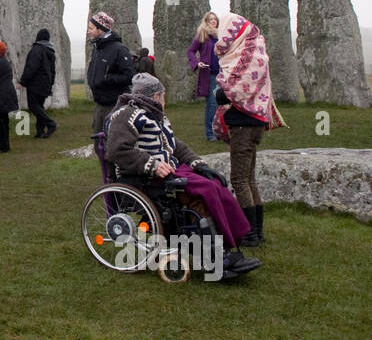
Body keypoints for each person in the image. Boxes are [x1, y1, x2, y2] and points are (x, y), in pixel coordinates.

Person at [104, 73, 260, 276]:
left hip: (169, 171)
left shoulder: (154, 115)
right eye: (164, 96)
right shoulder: (128, 115)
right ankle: (214, 258)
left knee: (213, 182)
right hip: (144, 177)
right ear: (157, 96)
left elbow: (174, 145)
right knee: (204, 192)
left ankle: (228, 244)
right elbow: (116, 150)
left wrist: (198, 163)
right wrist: (152, 164)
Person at [213, 13, 287, 248]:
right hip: (255, 123)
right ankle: (257, 231)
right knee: (249, 179)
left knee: (239, 179)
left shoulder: (242, 61)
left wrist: (219, 93)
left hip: (243, 124)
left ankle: (248, 233)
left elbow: (229, 92)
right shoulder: (255, 54)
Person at [86, 11, 134, 139]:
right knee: (98, 141)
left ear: (100, 28)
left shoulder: (119, 50)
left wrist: (107, 79)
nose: (88, 31)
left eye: (91, 28)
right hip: (99, 103)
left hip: (114, 104)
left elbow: (130, 76)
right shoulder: (97, 48)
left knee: (113, 141)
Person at [187, 11, 222, 141]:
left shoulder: (222, 35)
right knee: (212, 104)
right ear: (206, 21)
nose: (213, 21)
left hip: (223, 74)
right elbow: (190, 51)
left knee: (221, 104)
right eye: (210, 19)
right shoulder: (203, 35)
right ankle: (210, 133)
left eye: (215, 19)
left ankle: (219, 131)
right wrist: (197, 63)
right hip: (210, 74)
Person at [18, 28, 58, 139]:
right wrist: (51, 84)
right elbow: (53, 71)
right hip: (46, 83)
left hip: (36, 83)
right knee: (39, 106)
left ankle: (51, 124)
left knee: (33, 106)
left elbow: (31, 67)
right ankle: (40, 131)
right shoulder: (51, 51)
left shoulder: (36, 50)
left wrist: (23, 81)